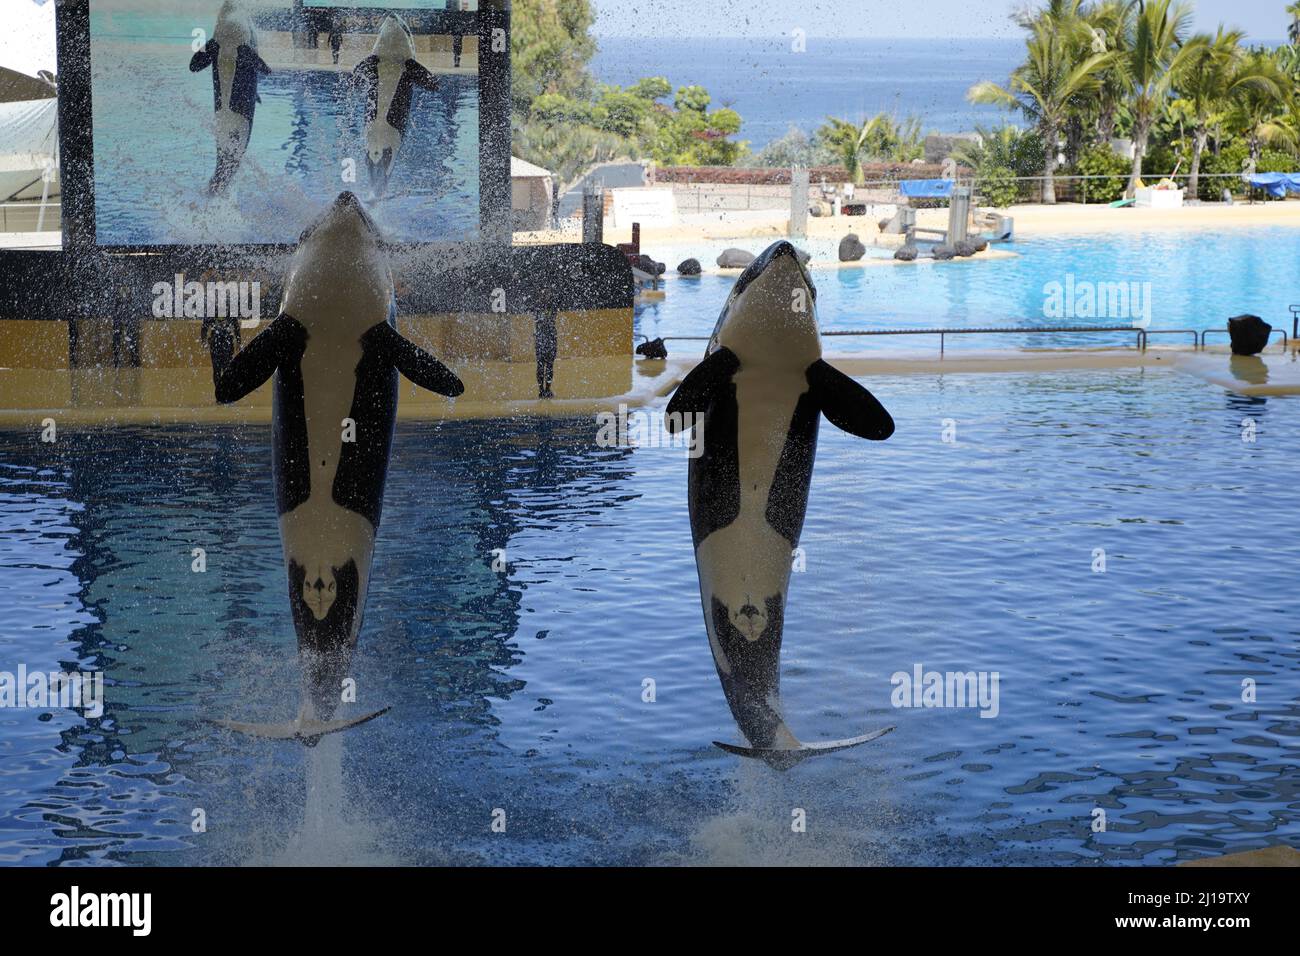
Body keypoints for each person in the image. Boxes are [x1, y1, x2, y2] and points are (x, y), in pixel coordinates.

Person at [534, 286, 559, 399]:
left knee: (547, 365)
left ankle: (546, 390)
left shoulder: (550, 306)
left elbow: (549, 320)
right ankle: (542, 390)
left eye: (546, 294)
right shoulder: (538, 306)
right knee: (542, 365)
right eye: (543, 294)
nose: (545, 296)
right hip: (543, 338)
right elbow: (543, 321)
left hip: (547, 337)